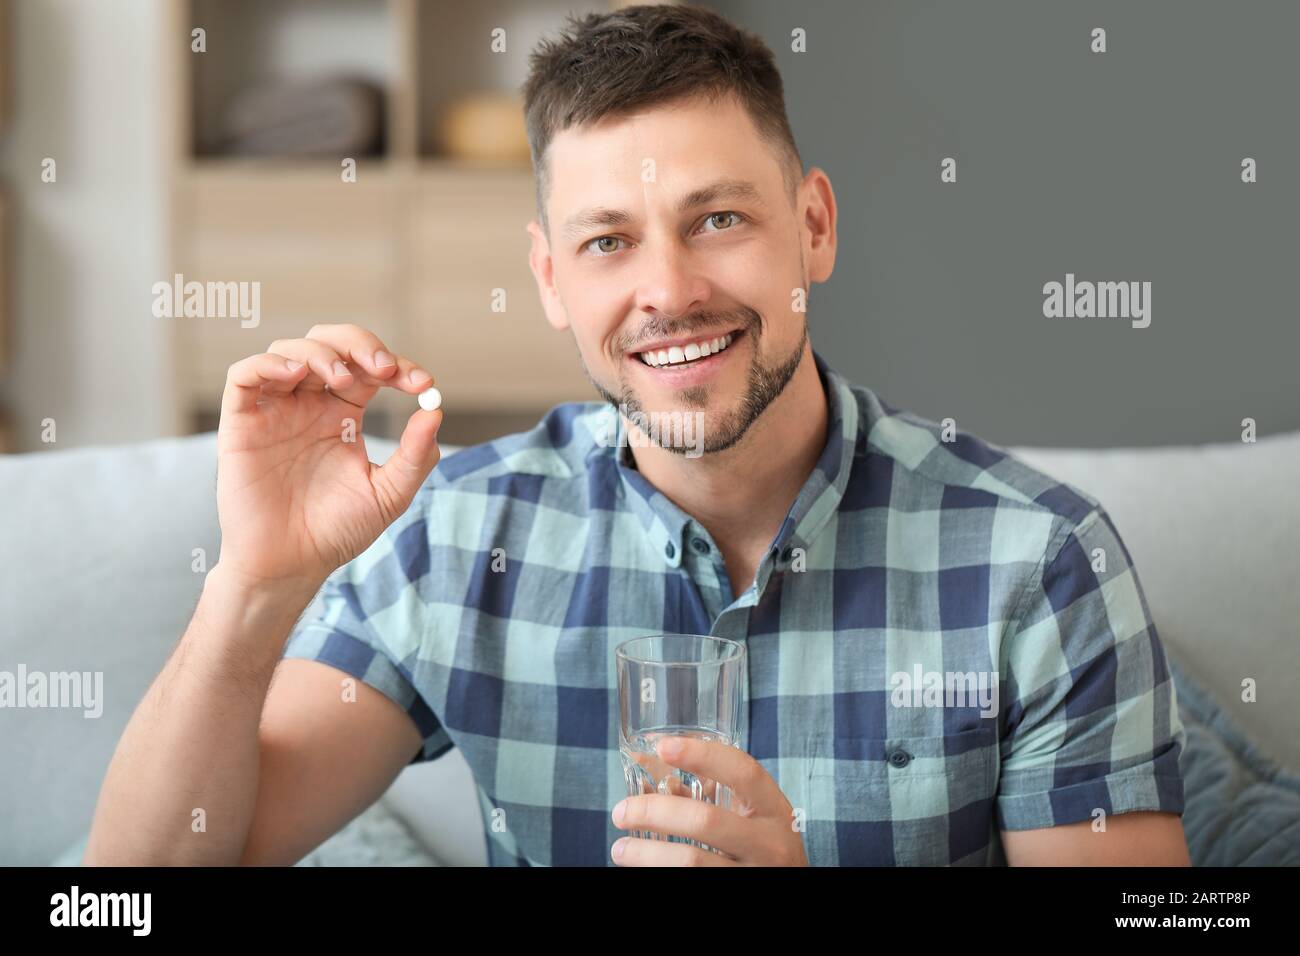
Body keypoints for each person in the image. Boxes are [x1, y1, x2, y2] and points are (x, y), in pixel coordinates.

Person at [86, 4, 1188, 867]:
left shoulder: (1033, 561)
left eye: (718, 219)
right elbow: (132, 891)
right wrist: (252, 585)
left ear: (813, 227)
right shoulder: (458, 539)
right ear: (551, 279)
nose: (667, 290)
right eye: (608, 240)